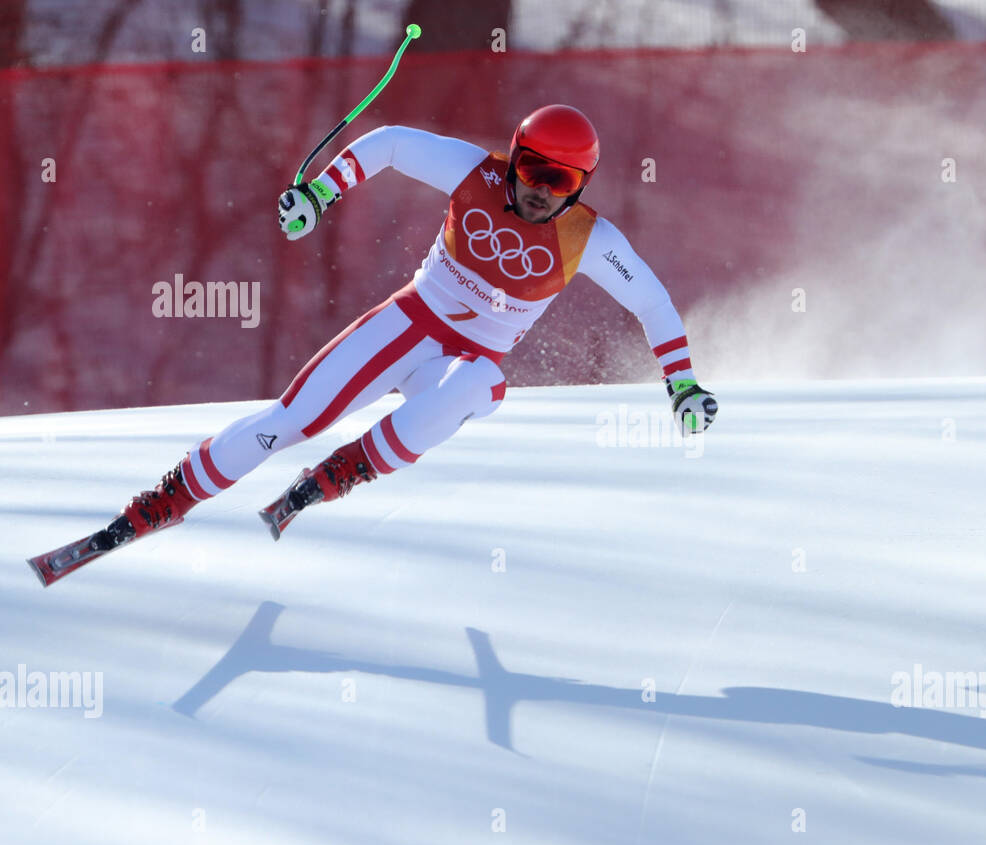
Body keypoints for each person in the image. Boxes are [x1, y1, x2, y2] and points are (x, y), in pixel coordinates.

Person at [78, 105, 717, 560]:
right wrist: (320, 195)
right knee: (288, 421)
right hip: (407, 325)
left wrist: (682, 384)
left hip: (463, 363)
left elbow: (653, 304)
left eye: (561, 181)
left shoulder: (589, 240)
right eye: (531, 169)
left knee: (480, 382)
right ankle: (164, 502)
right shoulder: (477, 173)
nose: (539, 191)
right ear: (513, 156)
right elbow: (387, 143)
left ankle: (339, 472)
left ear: (582, 187)